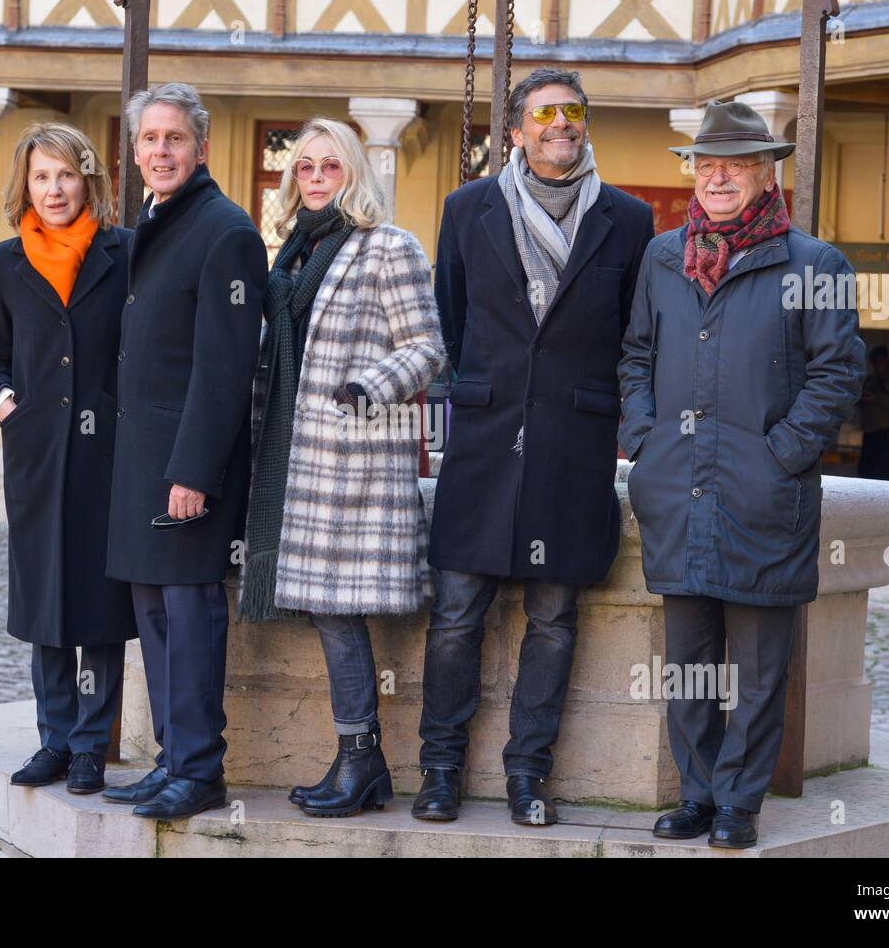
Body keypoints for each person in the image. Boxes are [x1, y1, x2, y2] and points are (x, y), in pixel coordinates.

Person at [618, 99, 865, 848]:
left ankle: (737, 803)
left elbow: (839, 373)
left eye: (734, 163)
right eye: (705, 162)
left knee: (757, 669)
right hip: (678, 488)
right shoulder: (664, 256)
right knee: (689, 665)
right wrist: (646, 436)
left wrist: (782, 452)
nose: (716, 175)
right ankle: (695, 795)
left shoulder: (813, 263)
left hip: (765, 496)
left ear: (765, 173)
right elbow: (634, 356)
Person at [415, 67, 654, 826]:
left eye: (573, 111)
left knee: (553, 618)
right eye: (545, 113)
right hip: (484, 441)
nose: (561, 123)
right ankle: (441, 770)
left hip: (572, 443)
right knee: (455, 614)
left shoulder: (629, 218)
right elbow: (451, 322)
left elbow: (629, 332)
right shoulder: (466, 209)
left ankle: (529, 775)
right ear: (515, 131)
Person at [236, 119, 445, 817]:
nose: (318, 176)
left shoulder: (389, 247)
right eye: (305, 167)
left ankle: (361, 761)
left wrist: (368, 387)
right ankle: (362, 762)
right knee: (329, 611)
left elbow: (427, 347)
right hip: (293, 459)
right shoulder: (289, 256)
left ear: (354, 172)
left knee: (335, 610)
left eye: (331, 165)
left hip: (353, 461)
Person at [100, 83, 267, 820]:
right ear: (134, 153)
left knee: (190, 613)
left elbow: (225, 365)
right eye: (148, 140)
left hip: (185, 468)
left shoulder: (224, 229)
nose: (160, 151)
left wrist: (194, 471)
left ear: (200, 146)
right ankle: (173, 757)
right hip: (141, 460)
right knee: (153, 610)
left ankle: (200, 770)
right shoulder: (156, 222)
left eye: (173, 138)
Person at [0, 121, 136, 794]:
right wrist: (8, 404)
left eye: (66, 174)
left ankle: (91, 745)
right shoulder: (0, 262)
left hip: (107, 457)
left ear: (86, 178)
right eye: (41, 177)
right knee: (45, 598)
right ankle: (54, 738)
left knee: (97, 601)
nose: (54, 188)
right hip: (37, 455)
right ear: (26, 186)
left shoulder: (125, 251)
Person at [857, 345, 889, 480]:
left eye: (879, 362)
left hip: (887, 428)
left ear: (886, 361)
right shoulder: (872, 379)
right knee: (866, 468)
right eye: (874, 363)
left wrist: (876, 398)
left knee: (885, 467)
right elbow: (859, 401)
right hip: (870, 428)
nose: (877, 366)